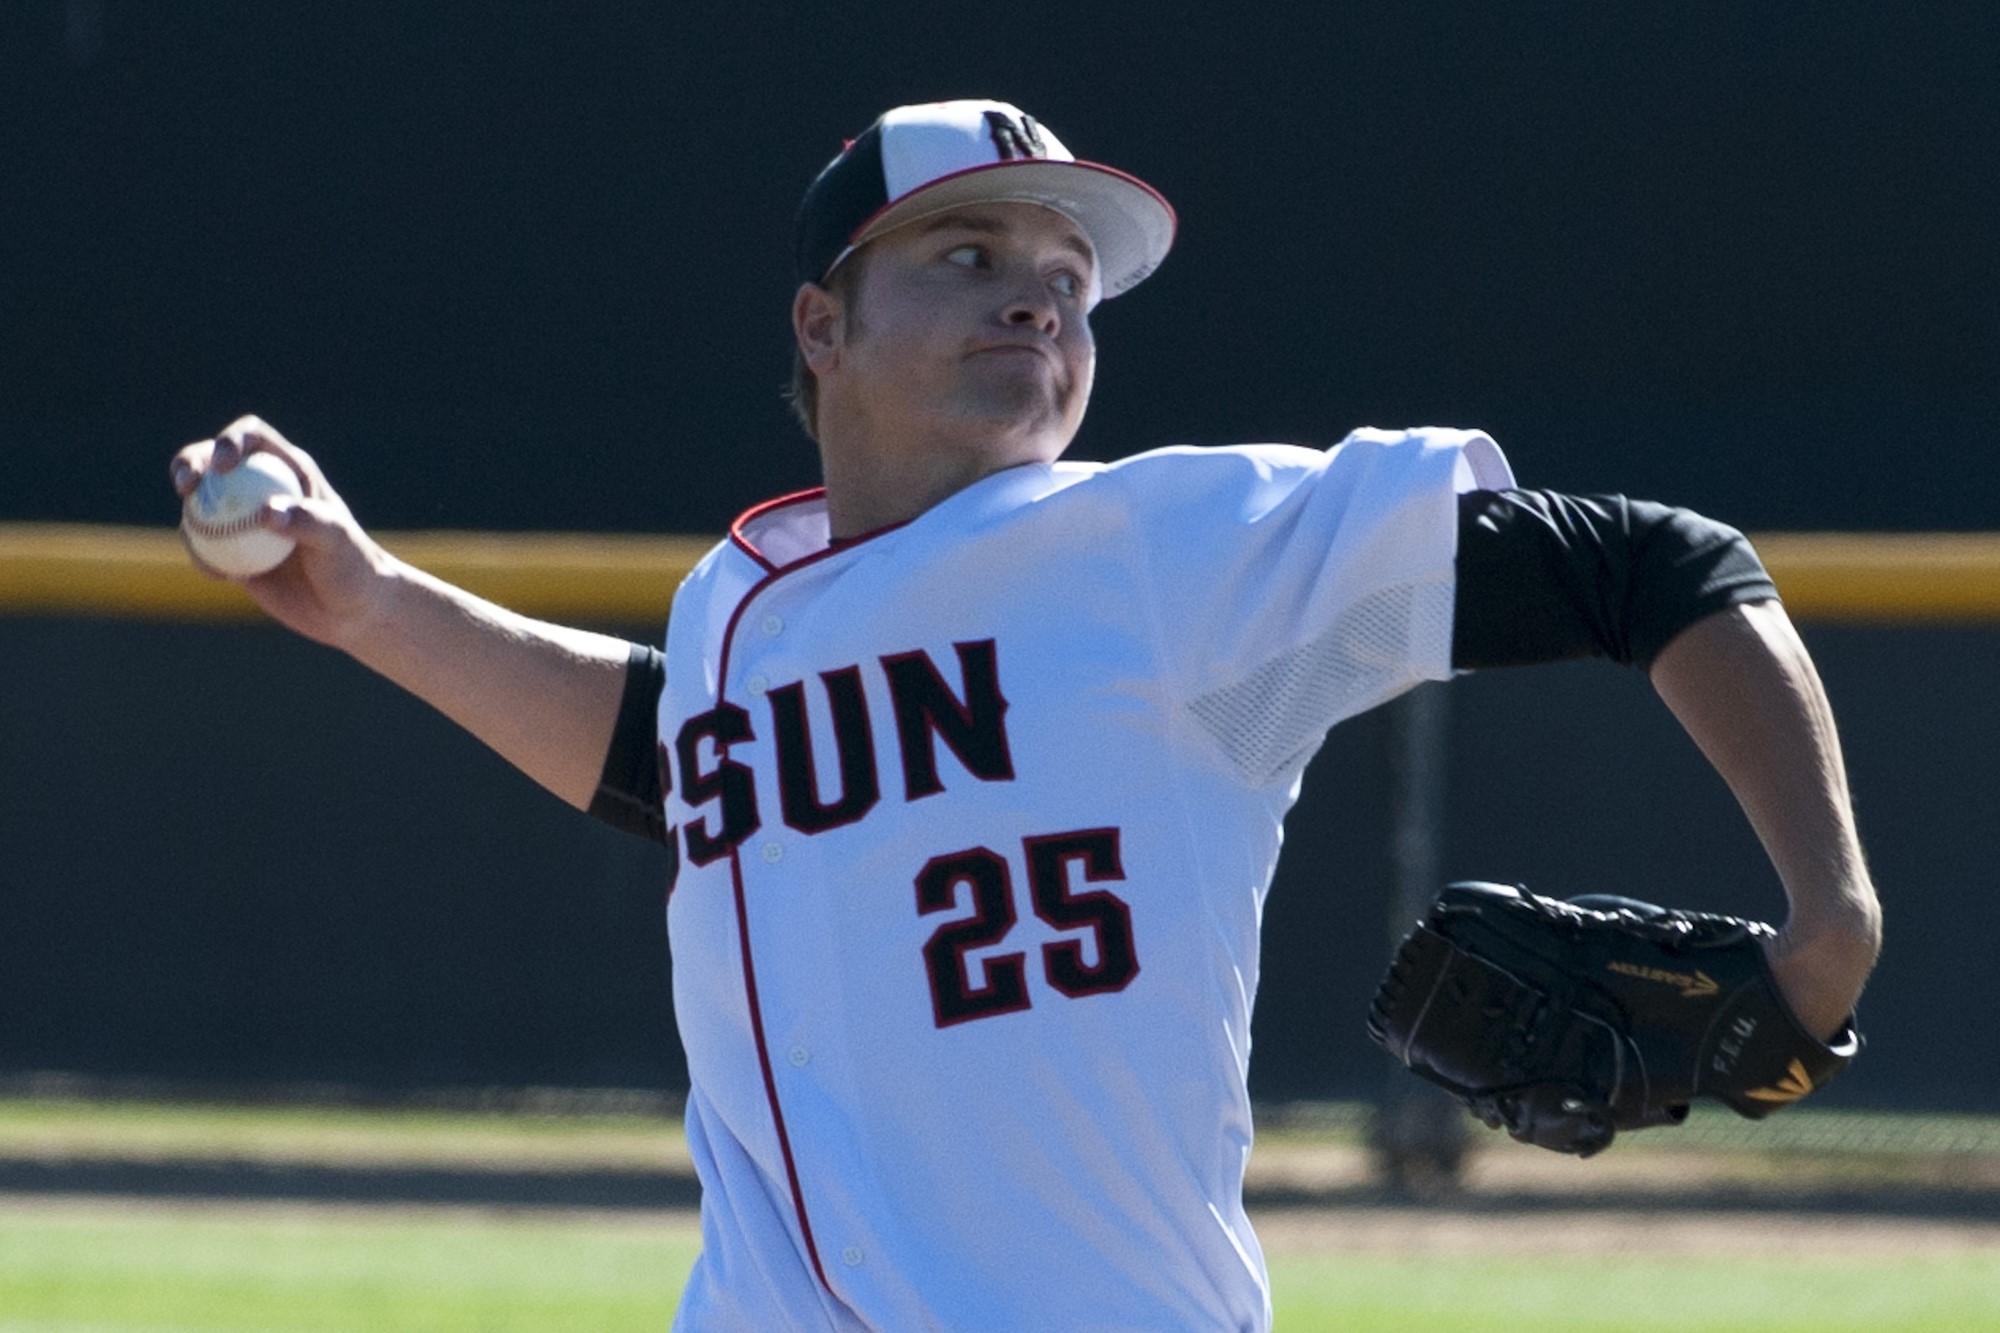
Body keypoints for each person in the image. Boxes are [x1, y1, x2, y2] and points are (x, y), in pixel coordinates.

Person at [172, 99, 1880, 1331]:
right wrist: (373, 603)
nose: (1037, 299)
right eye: (969, 254)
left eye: (1067, 280)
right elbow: (688, 762)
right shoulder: (737, 610)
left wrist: (1831, 927)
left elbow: (1661, 564)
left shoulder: (1169, 553)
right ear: (821, 326)